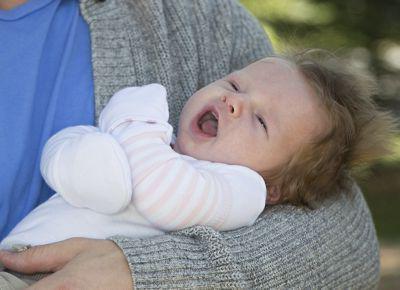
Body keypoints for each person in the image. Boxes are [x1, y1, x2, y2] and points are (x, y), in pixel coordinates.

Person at [0, 0, 383, 288]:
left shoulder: (241, 191)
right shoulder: (164, 141)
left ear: (276, 189)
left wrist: (143, 273)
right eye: (234, 85)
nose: (235, 101)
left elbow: (345, 240)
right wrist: (78, 150)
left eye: (261, 121)